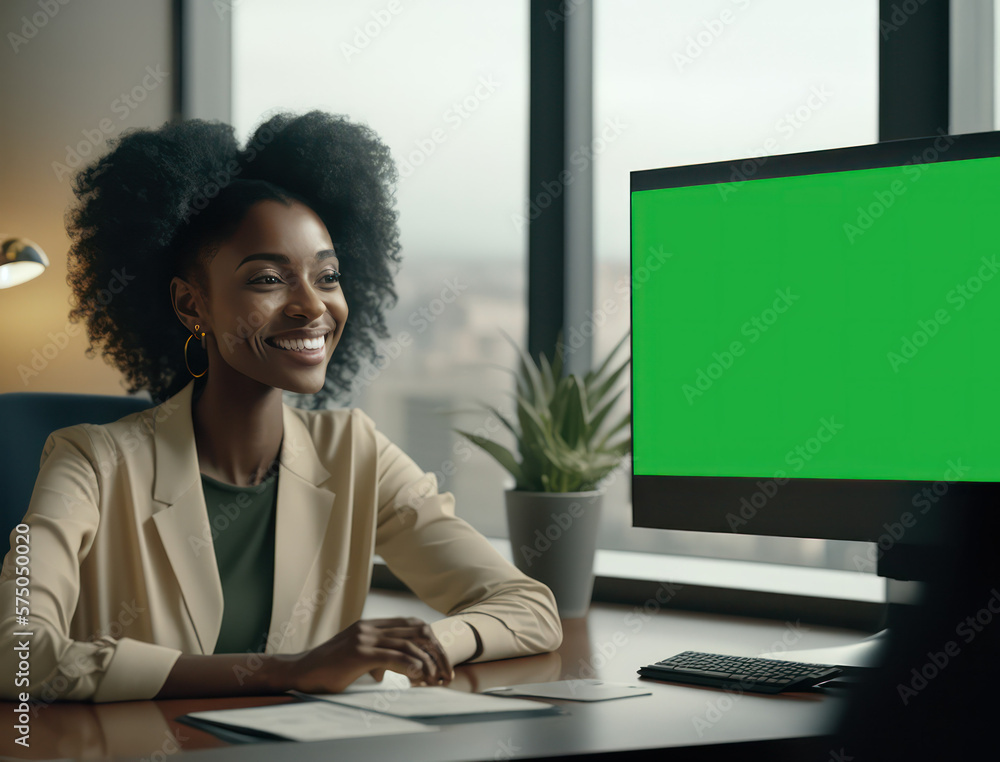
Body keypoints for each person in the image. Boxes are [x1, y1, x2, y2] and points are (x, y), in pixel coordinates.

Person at [0, 111, 562, 703]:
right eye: (268, 280)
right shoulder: (88, 462)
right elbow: (16, 653)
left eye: (327, 276)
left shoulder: (354, 451)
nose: (310, 306)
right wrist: (288, 670)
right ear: (192, 304)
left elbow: (530, 608)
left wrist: (417, 645)